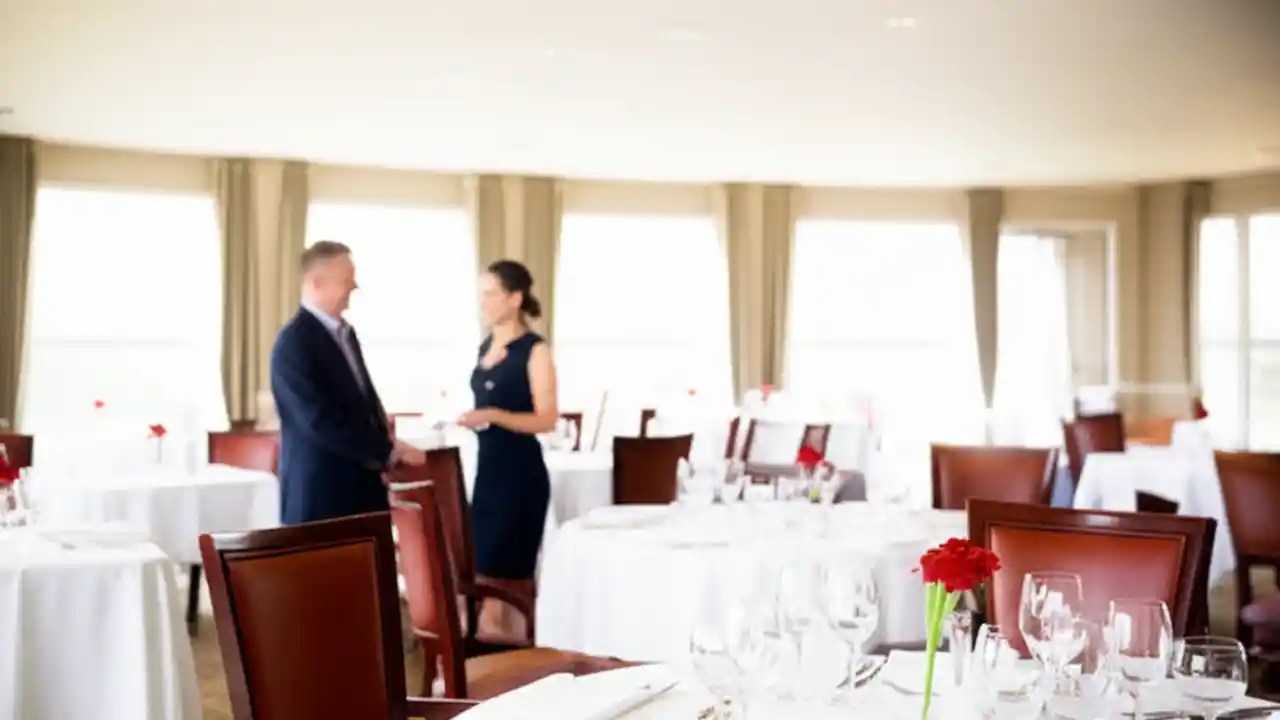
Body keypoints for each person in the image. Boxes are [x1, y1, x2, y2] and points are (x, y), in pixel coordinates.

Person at [270, 241, 425, 524]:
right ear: (316, 283)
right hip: (322, 493)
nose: (354, 288)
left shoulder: (345, 334)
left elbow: (362, 400)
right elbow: (319, 420)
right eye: (346, 281)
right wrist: (386, 452)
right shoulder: (295, 343)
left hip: (361, 487)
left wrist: (386, 444)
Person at [458, 260, 558, 630]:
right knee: (482, 570)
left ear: (514, 298)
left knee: (507, 575)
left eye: (490, 293)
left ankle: (513, 655)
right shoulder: (485, 345)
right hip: (488, 473)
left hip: (520, 477)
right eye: (480, 293)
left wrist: (494, 415)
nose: (482, 302)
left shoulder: (535, 350)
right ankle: (487, 658)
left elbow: (547, 419)